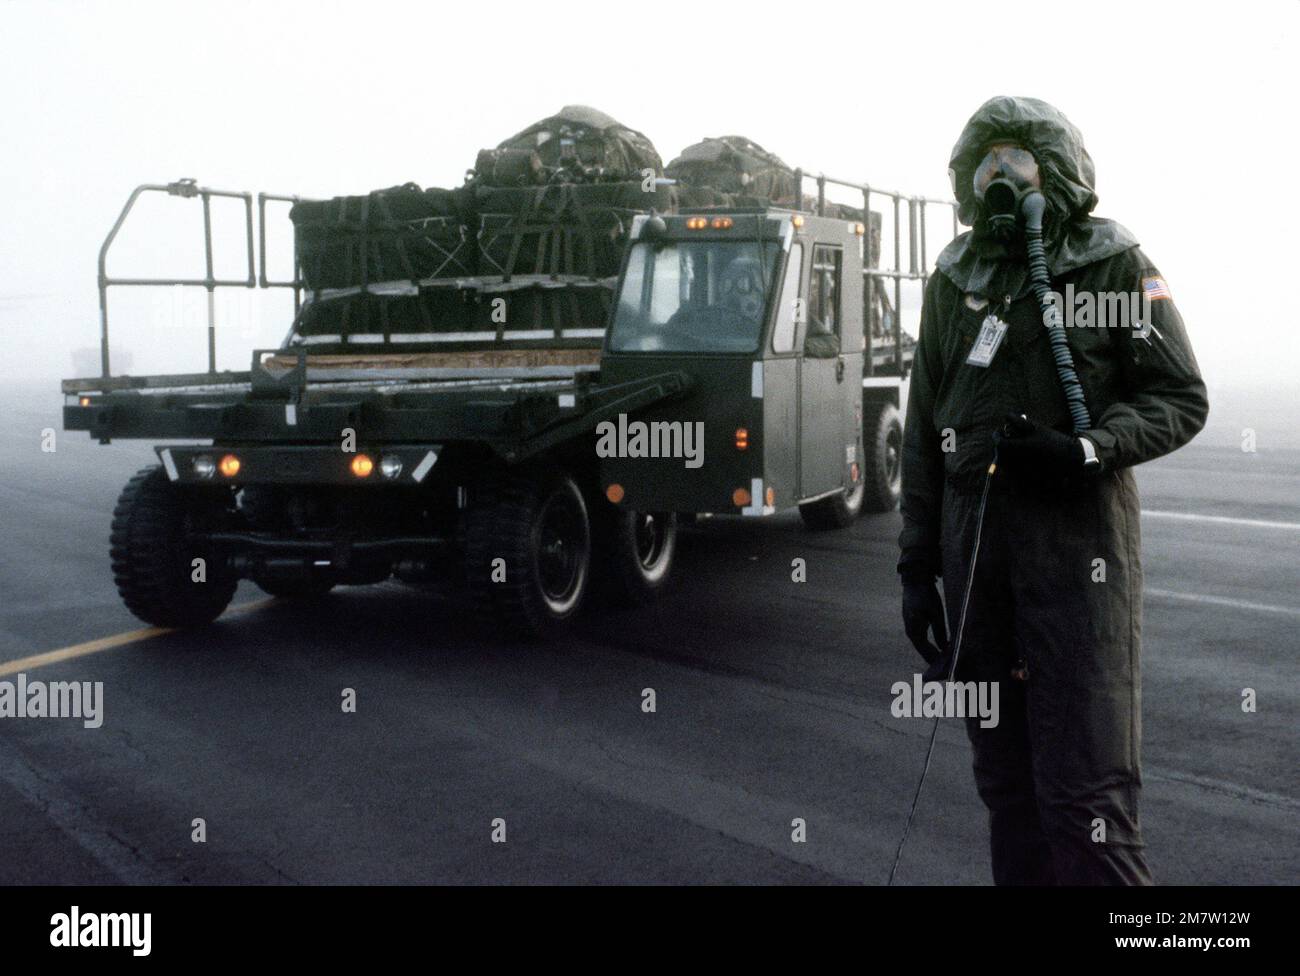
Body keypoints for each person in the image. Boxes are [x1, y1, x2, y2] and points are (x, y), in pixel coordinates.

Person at [899, 96, 1208, 885]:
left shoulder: (1112, 263)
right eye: (987, 158)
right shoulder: (953, 278)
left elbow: (1180, 397)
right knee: (1008, 795)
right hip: (977, 575)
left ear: (1056, 170)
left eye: (1018, 156)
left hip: (1077, 568)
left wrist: (1085, 449)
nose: (999, 173)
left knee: (1087, 807)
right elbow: (925, 427)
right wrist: (915, 564)